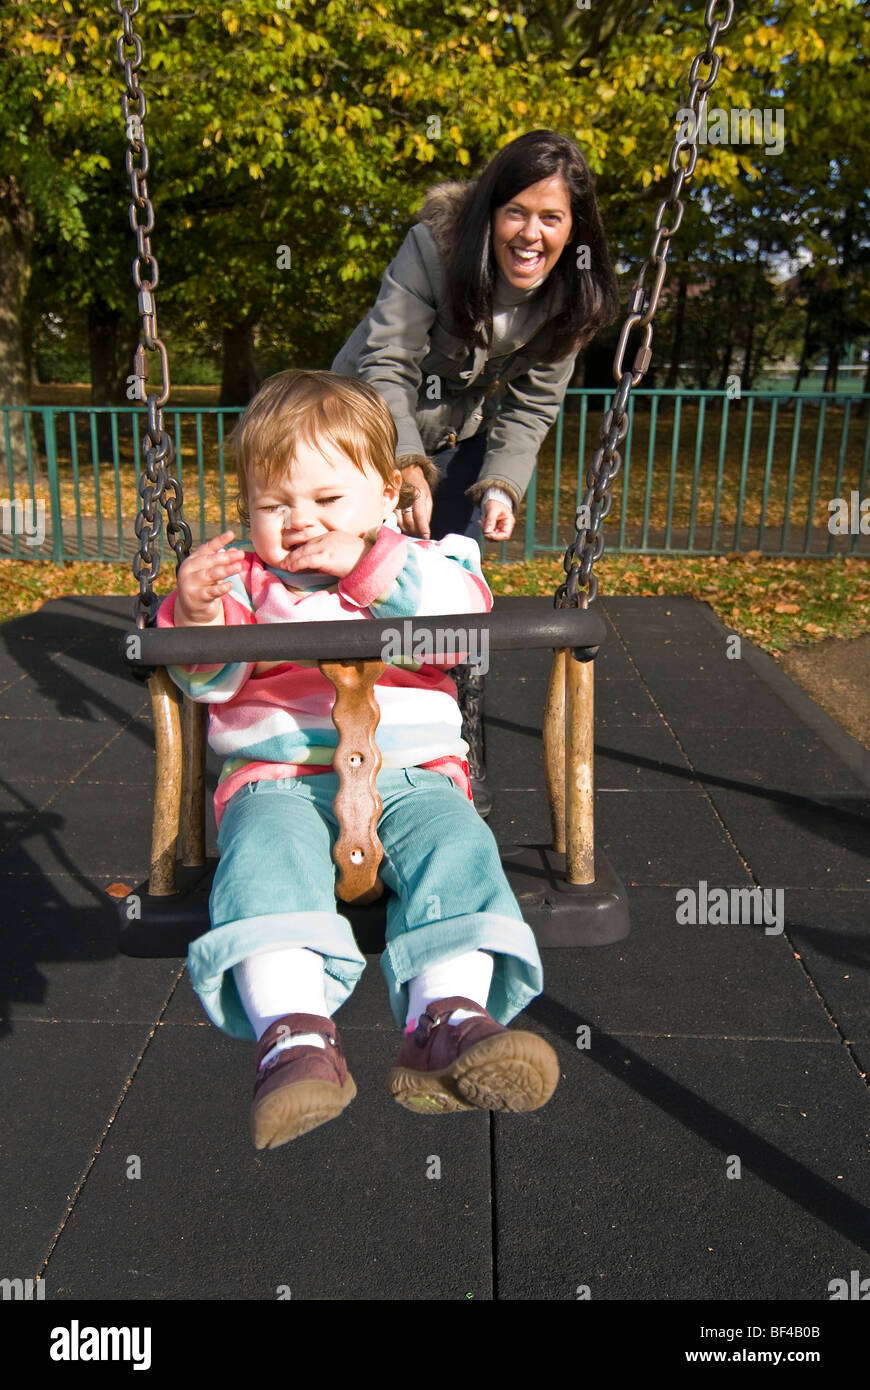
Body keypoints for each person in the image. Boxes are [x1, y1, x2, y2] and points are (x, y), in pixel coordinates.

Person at [156, 369, 559, 1151]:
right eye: (275, 507)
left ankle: (448, 1020)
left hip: (414, 777)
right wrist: (197, 615)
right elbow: (211, 677)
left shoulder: (431, 561)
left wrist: (367, 568)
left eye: (328, 502)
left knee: (461, 854)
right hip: (281, 780)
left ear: (386, 495)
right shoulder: (246, 583)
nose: (300, 523)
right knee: (261, 866)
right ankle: (295, 1038)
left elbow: (461, 625)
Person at [332, 128, 620, 808]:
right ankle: (335, 733)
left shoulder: (569, 296)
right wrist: (402, 466)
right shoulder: (435, 250)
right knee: (357, 581)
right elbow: (388, 364)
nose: (530, 233)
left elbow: (530, 407)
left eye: (551, 217)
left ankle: (454, 745)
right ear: (490, 211)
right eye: (516, 211)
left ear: (574, 229)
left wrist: (500, 486)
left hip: (455, 438)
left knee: (449, 591)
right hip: (364, 428)